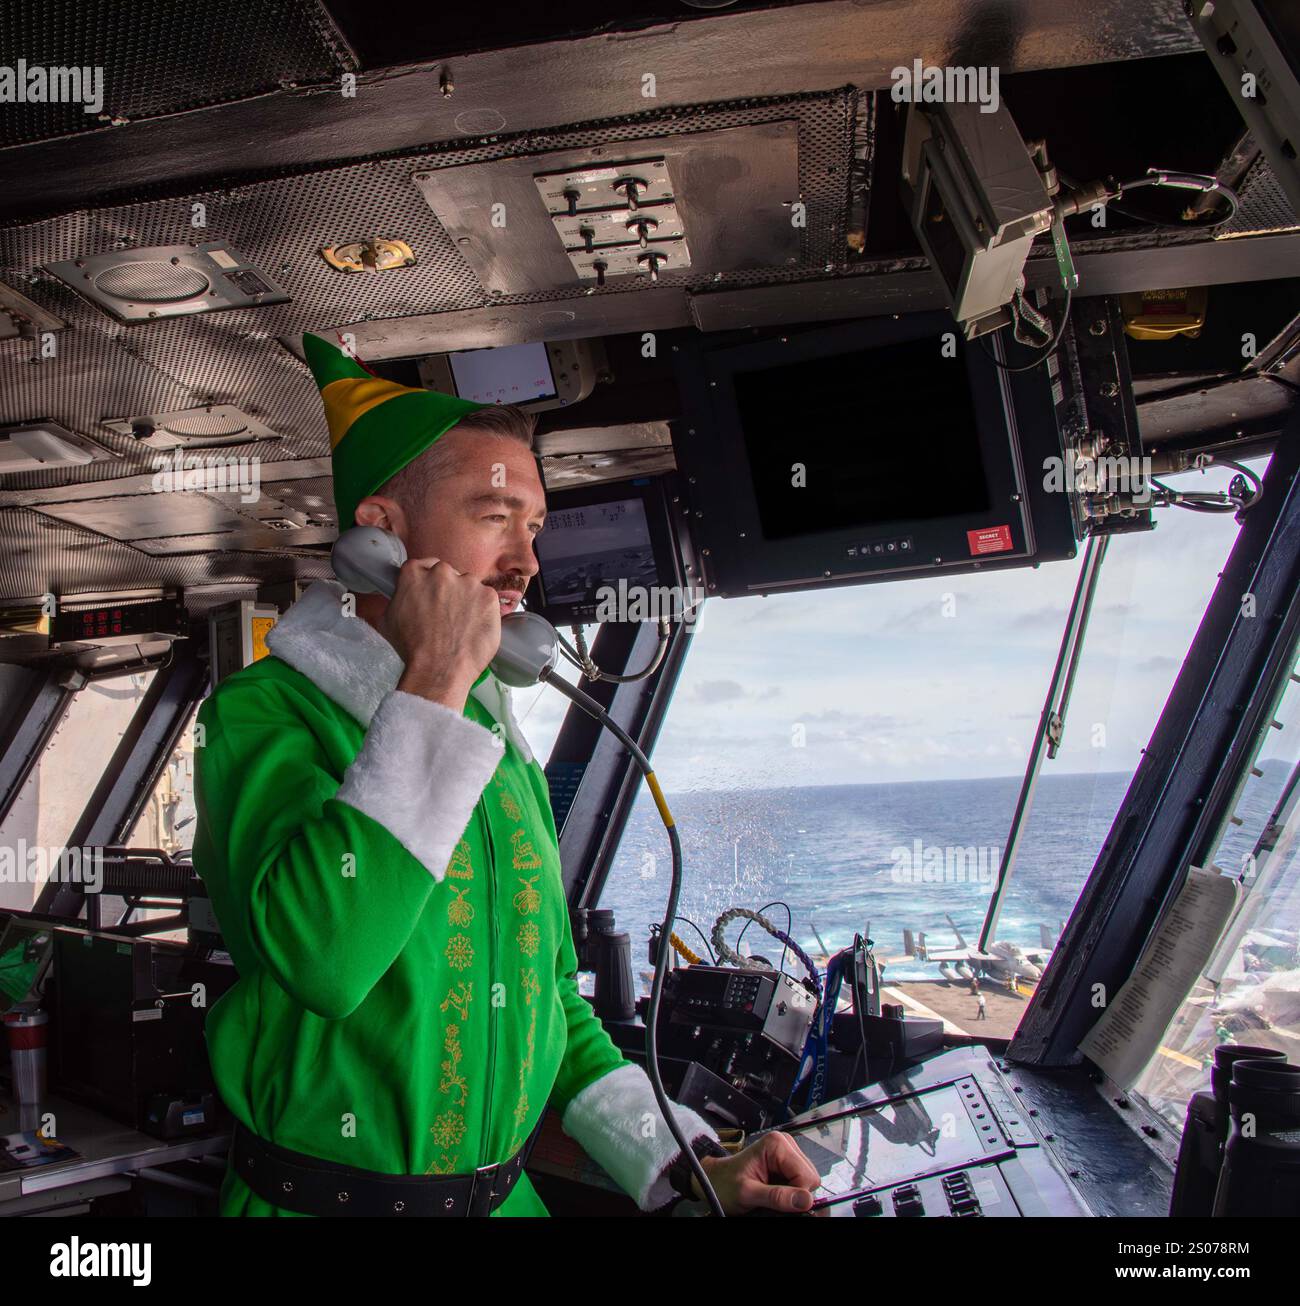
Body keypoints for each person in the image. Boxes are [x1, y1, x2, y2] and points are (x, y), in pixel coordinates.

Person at [193, 334, 820, 1217]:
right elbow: (325, 961)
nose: (527, 563)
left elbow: (548, 1001)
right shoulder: (265, 715)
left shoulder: (496, 746)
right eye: (495, 517)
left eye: (534, 527)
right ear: (381, 534)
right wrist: (438, 679)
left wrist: (687, 1162)